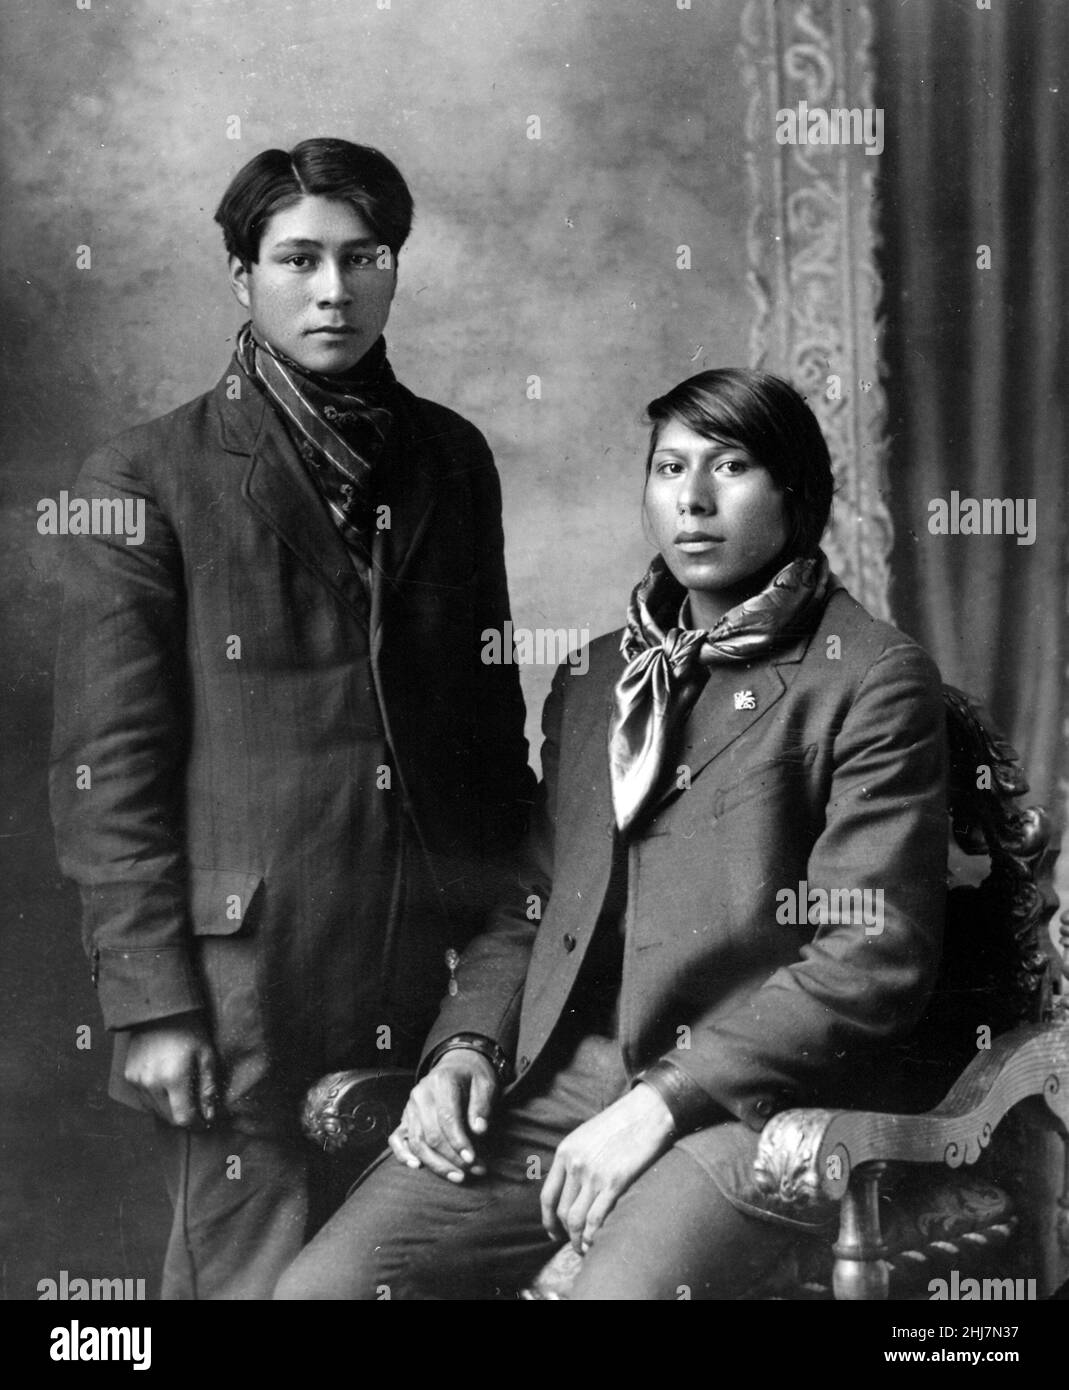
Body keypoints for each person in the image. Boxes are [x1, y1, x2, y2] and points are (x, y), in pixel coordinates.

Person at [275, 367, 948, 1301]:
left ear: (796, 496)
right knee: (319, 1294)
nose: (694, 499)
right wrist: (466, 1047)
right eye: (669, 469)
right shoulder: (598, 679)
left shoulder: (869, 677)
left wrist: (661, 1100)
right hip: (563, 1084)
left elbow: (871, 951)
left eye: (732, 467)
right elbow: (529, 907)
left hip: (752, 1104)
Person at [49, 137, 534, 1299]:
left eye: (362, 256)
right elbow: (106, 769)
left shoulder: (450, 459)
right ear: (241, 278)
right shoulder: (141, 477)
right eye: (297, 258)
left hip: (425, 974)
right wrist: (152, 1001)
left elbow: (483, 728)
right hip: (242, 989)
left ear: (395, 268)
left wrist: (499, 968)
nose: (333, 289)